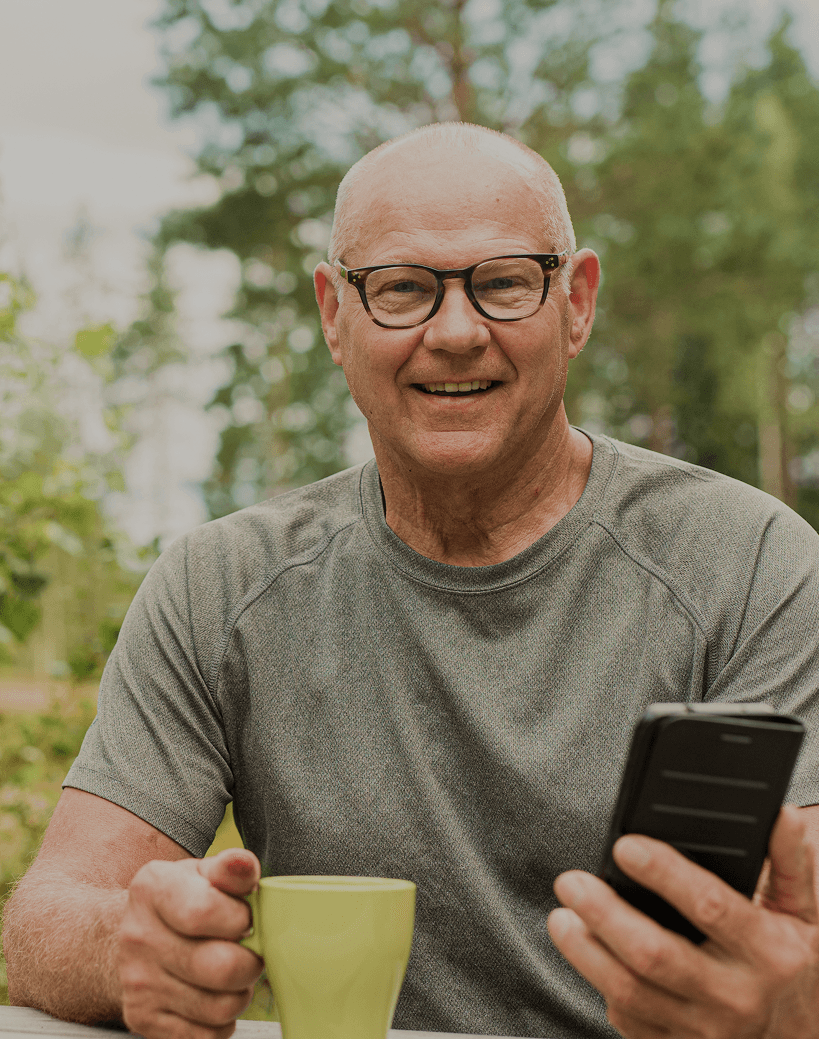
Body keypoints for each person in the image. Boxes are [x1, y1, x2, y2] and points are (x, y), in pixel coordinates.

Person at [4, 122, 819, 1039]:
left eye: (504, 282)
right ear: (332, 315)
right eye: (401, 289)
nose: (457, 332)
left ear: (577, 301)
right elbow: (45, 922)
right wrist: (130, 944)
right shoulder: (220, 584)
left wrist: (795, 1001)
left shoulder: (751, 566)